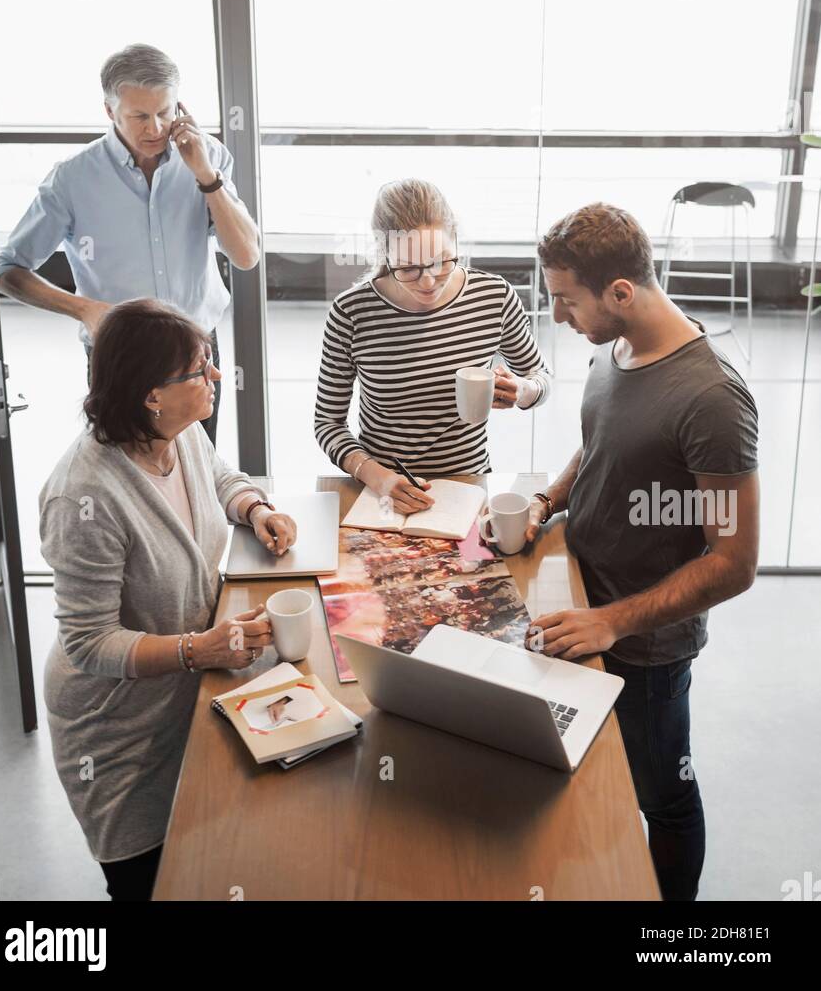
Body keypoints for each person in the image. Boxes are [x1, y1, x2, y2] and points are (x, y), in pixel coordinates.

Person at [523, 202, 759, 902]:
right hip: (583, 605)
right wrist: (549, 499)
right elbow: (602, 441)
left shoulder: (712, 400)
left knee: (666, 798)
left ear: (619, 292)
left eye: (566, 301)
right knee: (593, 780)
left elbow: (734, 561)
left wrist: (614, 622)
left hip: (645, 650)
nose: (559, 317)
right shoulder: (617, 346)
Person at [39, 299, 297, 902]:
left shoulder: (177, 436)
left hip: (189, 691)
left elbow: (220, 476)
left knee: (210, 861)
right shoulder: (84, 496)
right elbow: (89, 641)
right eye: (199, 368)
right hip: (118, 729)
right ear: (150, 393)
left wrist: (255, 507)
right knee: (152, 882)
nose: (214, 377)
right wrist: (196, 649)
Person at [0, 43, 260, 444]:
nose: (154, 128)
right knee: (124, 477)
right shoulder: (72, 179)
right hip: (120, 355)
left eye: (164, 112)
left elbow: (245, 255)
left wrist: (205, 174)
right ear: (109, 111)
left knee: (200, 473)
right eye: (139, 116)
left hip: (195, 351)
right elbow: (8, 269)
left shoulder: (210, 157)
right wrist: (85, 310)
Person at [315, 178, 552, 513]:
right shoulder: (352, 312)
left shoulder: (493, 297)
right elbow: (327, 422)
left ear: (455, 240)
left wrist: (524, 390)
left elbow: (540, 376)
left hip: (468, 489)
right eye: (408, 268)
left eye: (441, 261)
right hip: (382, 496)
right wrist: (378, 477)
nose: (428, 282)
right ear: (385, 253)